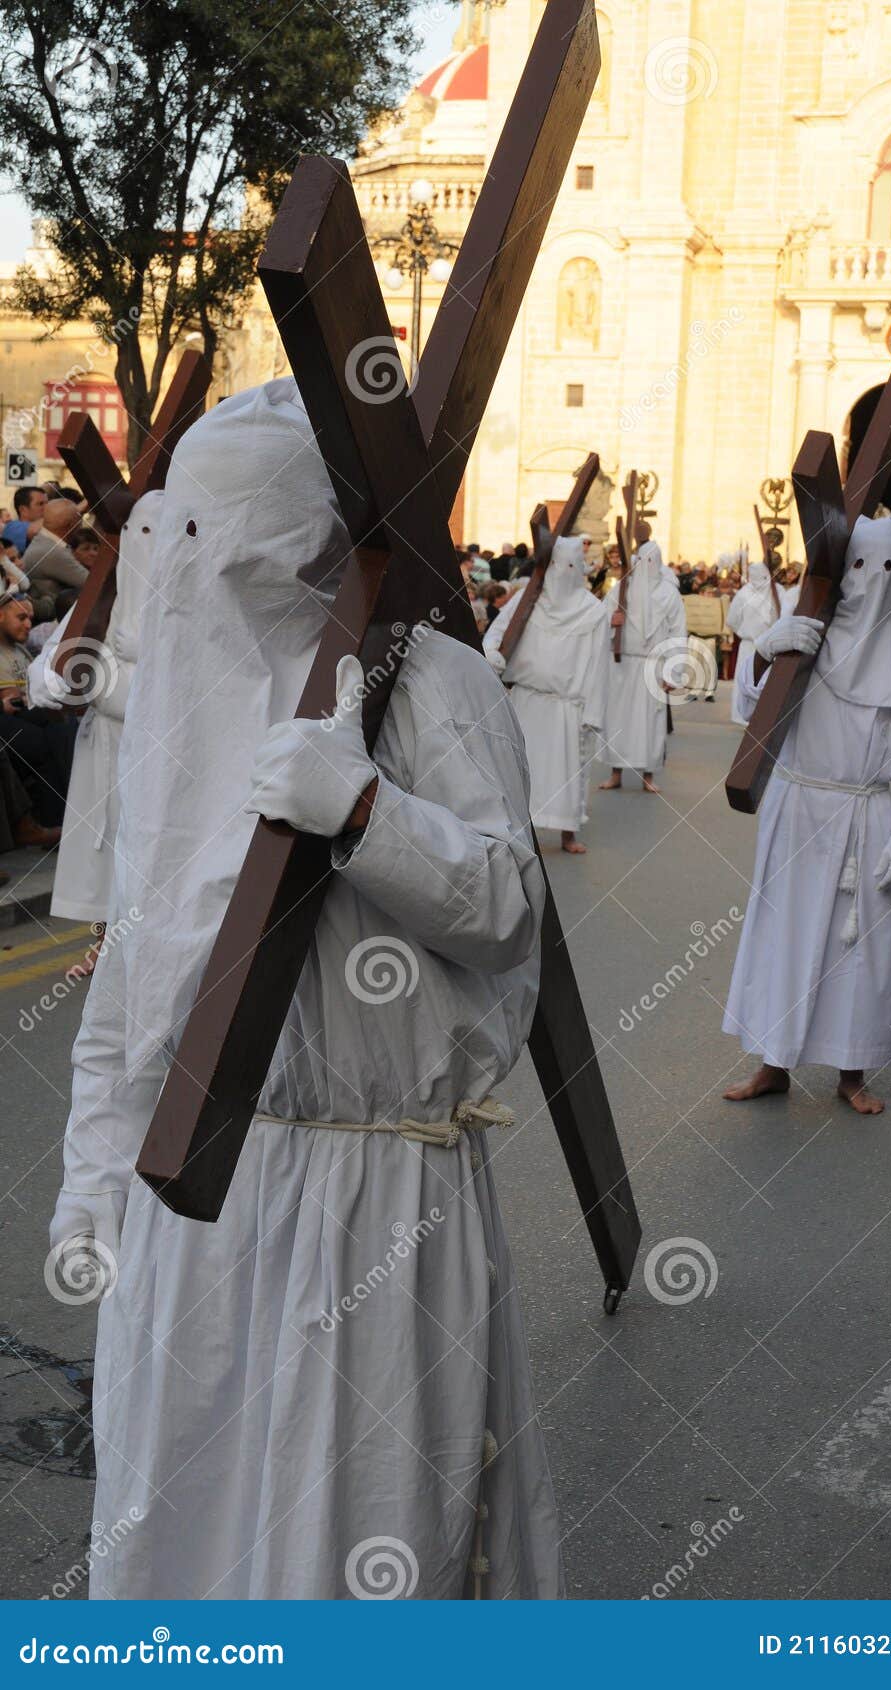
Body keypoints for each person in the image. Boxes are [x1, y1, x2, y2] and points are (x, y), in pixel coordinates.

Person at [48, 378, 561, 1601]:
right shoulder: (179, 692)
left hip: (371, 1204)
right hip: (197, 1199)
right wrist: (91, 1181)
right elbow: (135, 970)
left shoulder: (431, 682)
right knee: (179, 1537)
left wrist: (368, 815)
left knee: (352, 1545)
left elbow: (503, 910)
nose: (199, 574)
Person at [722, 516, 891, 1116]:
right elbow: (752, 711)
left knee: (859, 949)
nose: (872, 582)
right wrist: (763, 651)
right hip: (797, 807)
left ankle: (852, 1070)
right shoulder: (806, 634)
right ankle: (773, 1063)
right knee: (786, 935)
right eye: (858, 567)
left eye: (887, 570)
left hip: (867, 816)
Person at [31, 493, 161, 939]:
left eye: (151, 534)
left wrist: (144, 655)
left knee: (146, 853)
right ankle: (104, 939)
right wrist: (50, 680)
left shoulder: (184, 600)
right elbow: (58, 652)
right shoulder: (107, 589)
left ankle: (137, 940)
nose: (140, 543)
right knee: (102, 853)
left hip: (153, 751)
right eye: (134, 532)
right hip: (103, 744)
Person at [484, 534, 608, 855]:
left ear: (579, 569)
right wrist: (493, 656)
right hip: (526, 699)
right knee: (521, 768)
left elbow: (598, 666)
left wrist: (593, 713)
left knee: (570, 773)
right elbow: (497, 632)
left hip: (567, 706)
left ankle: (568, 833)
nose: (562, 573)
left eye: (570, 566)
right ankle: (517, 830)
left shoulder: (593, 612)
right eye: (557, 565)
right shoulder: (528, 598)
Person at [599, 538, 687, 795]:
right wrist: (611, 619)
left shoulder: (669, 594)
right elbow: (600, 616)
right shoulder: (621, 589)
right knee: (619, 719)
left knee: (652, 721)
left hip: (654, 666)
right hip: (623, 664)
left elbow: (678, 633)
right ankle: (616, 772)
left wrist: (674, 672)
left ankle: (648, 775)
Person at [0, 595, 77, 827]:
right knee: (49, 738)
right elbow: (11, 700)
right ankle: (56, 820)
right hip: (7, 718)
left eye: (30, 619)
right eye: (21, 617)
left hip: (30, 714)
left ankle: (63, 817)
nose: (28, 625)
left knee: (62, 728)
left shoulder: (21, 651)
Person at [725, 561, 797, 724]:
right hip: (749, 644)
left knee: (766, 682)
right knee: (746, 680)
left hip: (771, 647)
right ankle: (741, 715)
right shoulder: (744, 594)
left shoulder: (777, 592)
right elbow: (733, 619)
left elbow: (786, 615)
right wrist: (746, 633)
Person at [22, 498, 88, 619]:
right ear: (72, 525)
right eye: (79, 518)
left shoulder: (44, 540)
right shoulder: (53, 552)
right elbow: (91, 583)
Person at [683, 585, 722, 702]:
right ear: (701, 593)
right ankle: (692, 691)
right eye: (708, 593)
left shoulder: (715, 606)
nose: (710, 595)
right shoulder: (693, 604)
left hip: (710, 638)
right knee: (693, 664)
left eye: (712, 593)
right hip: (695, 637)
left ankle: (709, 693)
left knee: (710, 665)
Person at [1, 485, 46, 556]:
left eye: (47, 503)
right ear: (23, 510)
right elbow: (34, 530)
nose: (47, 507)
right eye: (40, 504)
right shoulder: (11, 527)